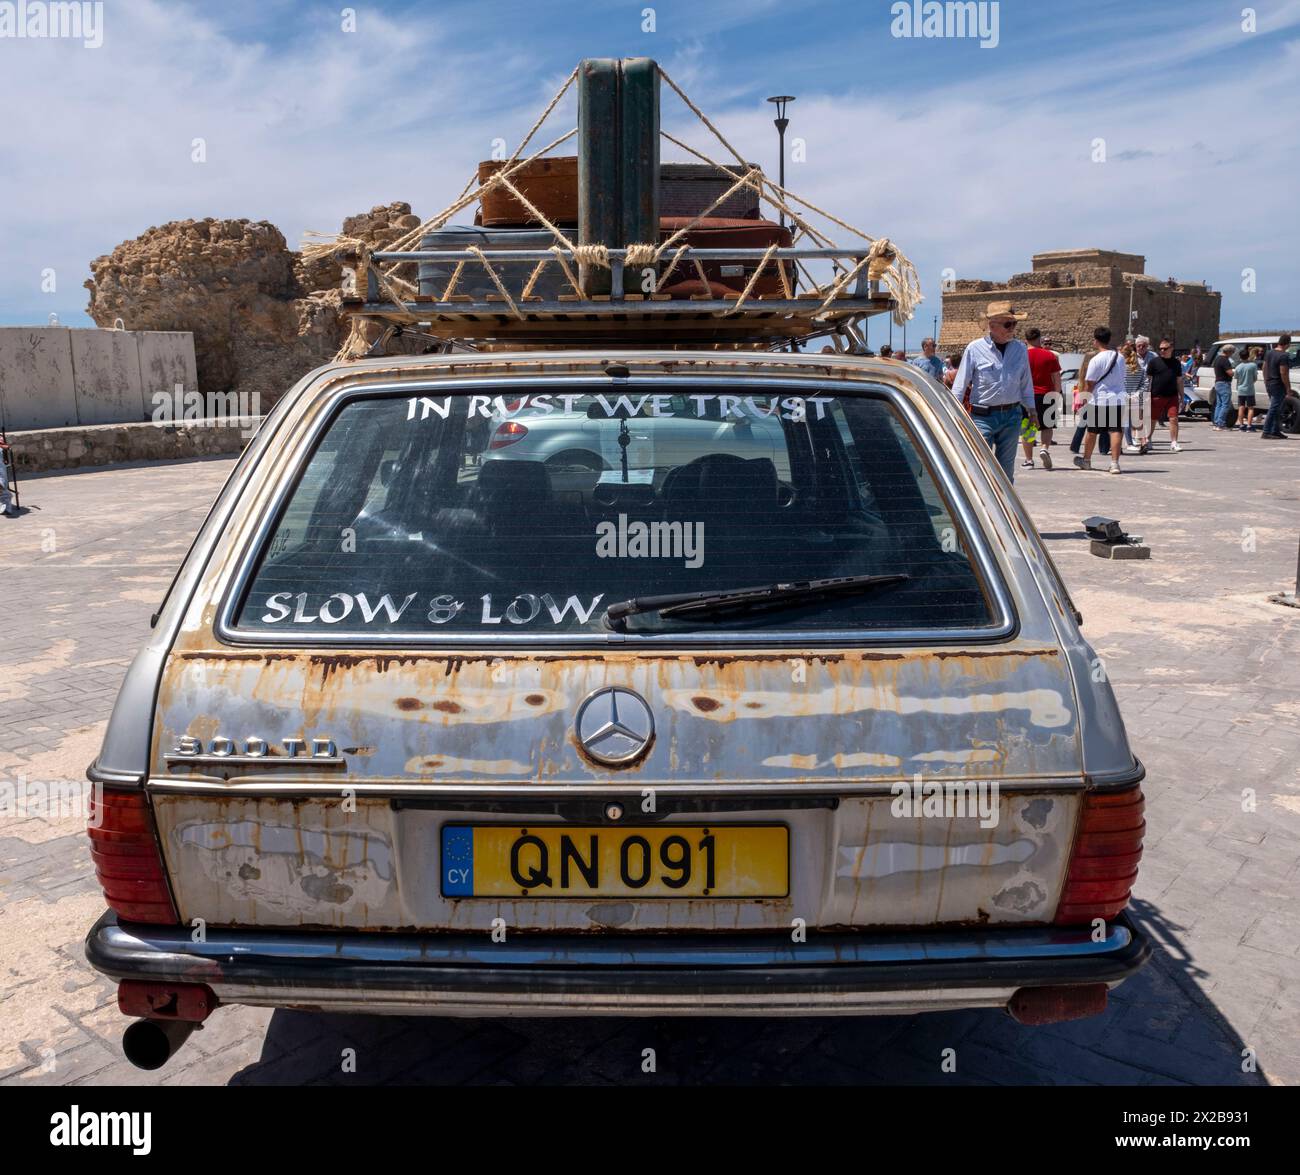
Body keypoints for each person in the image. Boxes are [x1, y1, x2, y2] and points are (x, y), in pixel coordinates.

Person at [949, 300, 1036, 481]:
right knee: (981, 469)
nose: (1012, 328)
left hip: (1012, 416)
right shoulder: (975, 349)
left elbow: (1025, 382)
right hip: (982, 417)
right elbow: (960, 384)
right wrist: (953, 415)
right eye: (1008, 324)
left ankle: (1005, 509)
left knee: (1006, 473)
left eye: (1014, 323)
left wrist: (1032, 409)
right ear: (992, 325)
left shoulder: (1020, 349)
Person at [1074, 326, 1127, 473]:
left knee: (1092, 431)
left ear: (1096, 341)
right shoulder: (1120, 357)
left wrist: (1084, 398)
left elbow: (1090, 383)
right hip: (1117, 399)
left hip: (1099, 399)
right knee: (1115, 430)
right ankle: (1115, 463)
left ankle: (1087, 460)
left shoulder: (1096, 360)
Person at [1024, 327, 1061, 469]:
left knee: (1028, 427)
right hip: (1046, 394)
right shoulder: (1050, 355)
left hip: (1027, 396)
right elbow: (1056, 378)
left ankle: (1029, 460)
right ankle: (1044, 447)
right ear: (1040, 338)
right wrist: (1056, 395)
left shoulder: (1022, 356)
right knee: (1047, 426)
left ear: (1025, 340)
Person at [1143, 338, 1184, 452]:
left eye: (1165, 348)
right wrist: (1146, 395)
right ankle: (1148, 439)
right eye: (1160, 348)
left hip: (1172, 396)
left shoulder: (1176, 363)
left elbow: (1179, 380)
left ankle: (1174, 442)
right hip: (1156, 395)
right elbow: (1148, 380)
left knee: (1174, 419)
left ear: (1171, 349)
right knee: (1152, 419)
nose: (1162, 350)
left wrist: (1182, 396)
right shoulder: (1154, 362)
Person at [1126, 336, 1158, 454]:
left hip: (1150, 388)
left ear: (1147, 346)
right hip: (1136, 390)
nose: (1141, 348)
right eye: (1139, 345)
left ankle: (1144, 439)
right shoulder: (1132, 357)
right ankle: (1139, 440)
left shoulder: (1153, 356)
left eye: (1144, 345)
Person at [1261, 333, 1292, 440]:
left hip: (1270, 383)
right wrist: (1288, 387)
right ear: (1287, 344)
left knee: (1277, 408)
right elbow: (1283, 372)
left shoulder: (1270, 353)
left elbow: (1264, 367)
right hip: (1278, 384)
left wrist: (1266, 380)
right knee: (1274, 408)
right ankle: (1266, 431)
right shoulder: (1284, 355)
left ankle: (1275, 430)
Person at [1234, 347, 1261, 431]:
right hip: (1249, 389)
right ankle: (1249, 425)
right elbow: (1255, 378)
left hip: (1240, 389)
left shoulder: (1238, 367)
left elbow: (1236, 377)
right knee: (1250, 408)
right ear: (1248, 356)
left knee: (1241, 407)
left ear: (1240, 357)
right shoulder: (1253, 365)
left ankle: (1241, 425)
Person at [1211, 344, 1235, 430]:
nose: (1232, 354)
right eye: (1232, 352)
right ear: (1229, 351)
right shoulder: (1225, 360)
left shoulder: (1217, 359)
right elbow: (1230, 372)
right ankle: (1221, 424)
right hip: (1224, 383)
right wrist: (1235, 373)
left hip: (1218, 382)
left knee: (1219, 404)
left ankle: (1216, 422)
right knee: (1225, 404)